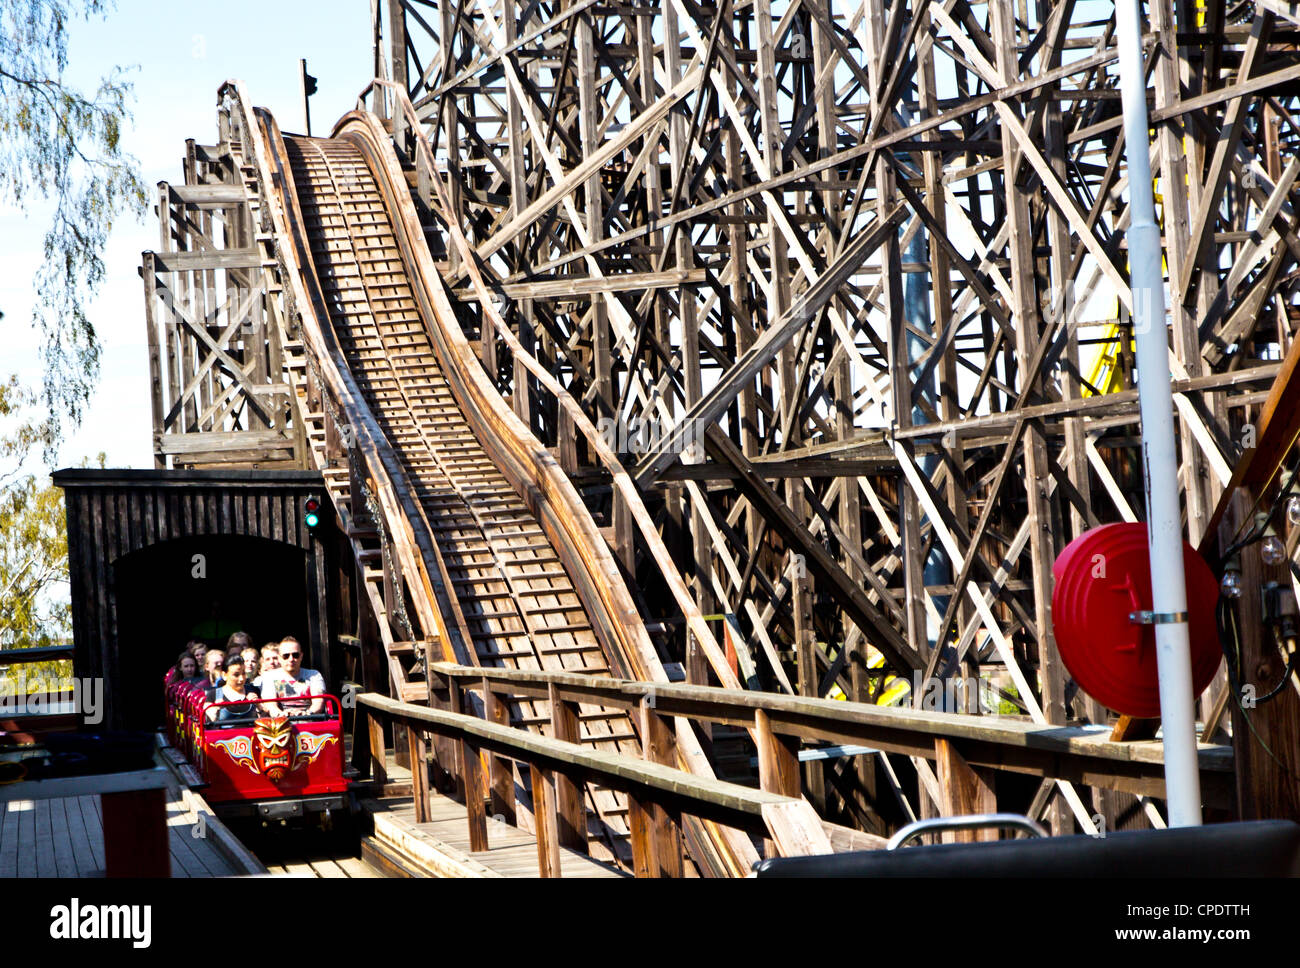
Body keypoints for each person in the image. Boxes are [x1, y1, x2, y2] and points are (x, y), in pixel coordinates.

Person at [259, 637, 325, 716]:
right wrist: (281, 715)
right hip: (280, 724)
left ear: (301, 656)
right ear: (279, 658)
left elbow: (318, 702)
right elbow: (270, 705)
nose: (291, 659)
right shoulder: (269, 676)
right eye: (286, 656)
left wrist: (307, 714)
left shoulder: (314, 675)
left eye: (295, 655)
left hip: (310, 722)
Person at [205, 655, 261, 722]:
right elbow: (208, 722)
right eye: (236, 675)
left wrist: (258, 705)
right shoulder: (213, 695)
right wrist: (216, 709)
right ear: (224, 675)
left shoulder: (254, 690)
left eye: (243, 673)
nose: (241, 679)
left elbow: (265, 718)